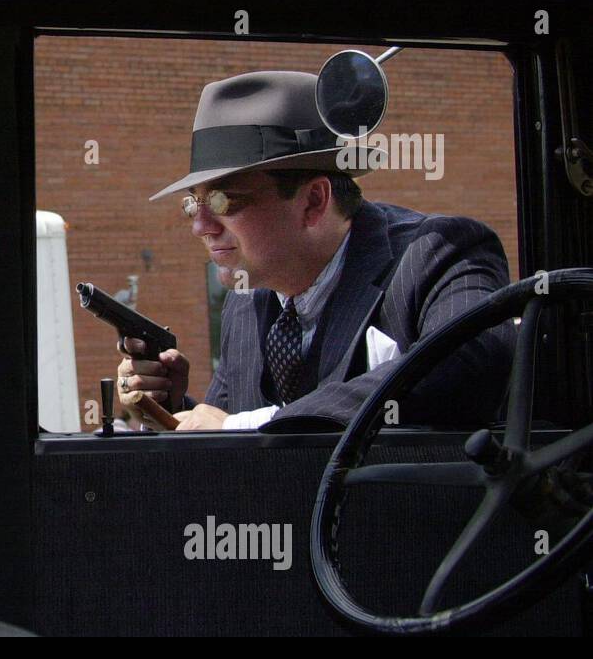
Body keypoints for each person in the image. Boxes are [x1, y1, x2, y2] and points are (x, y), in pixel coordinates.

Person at [116, 70, 513, 432]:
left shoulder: (441, 253)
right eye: (192, 204)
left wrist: (248, 425)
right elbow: (232, 437)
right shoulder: (244, 302)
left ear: (314, 202)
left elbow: (466, 366)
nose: (200, 226)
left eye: (223, 201)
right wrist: (169, 410)